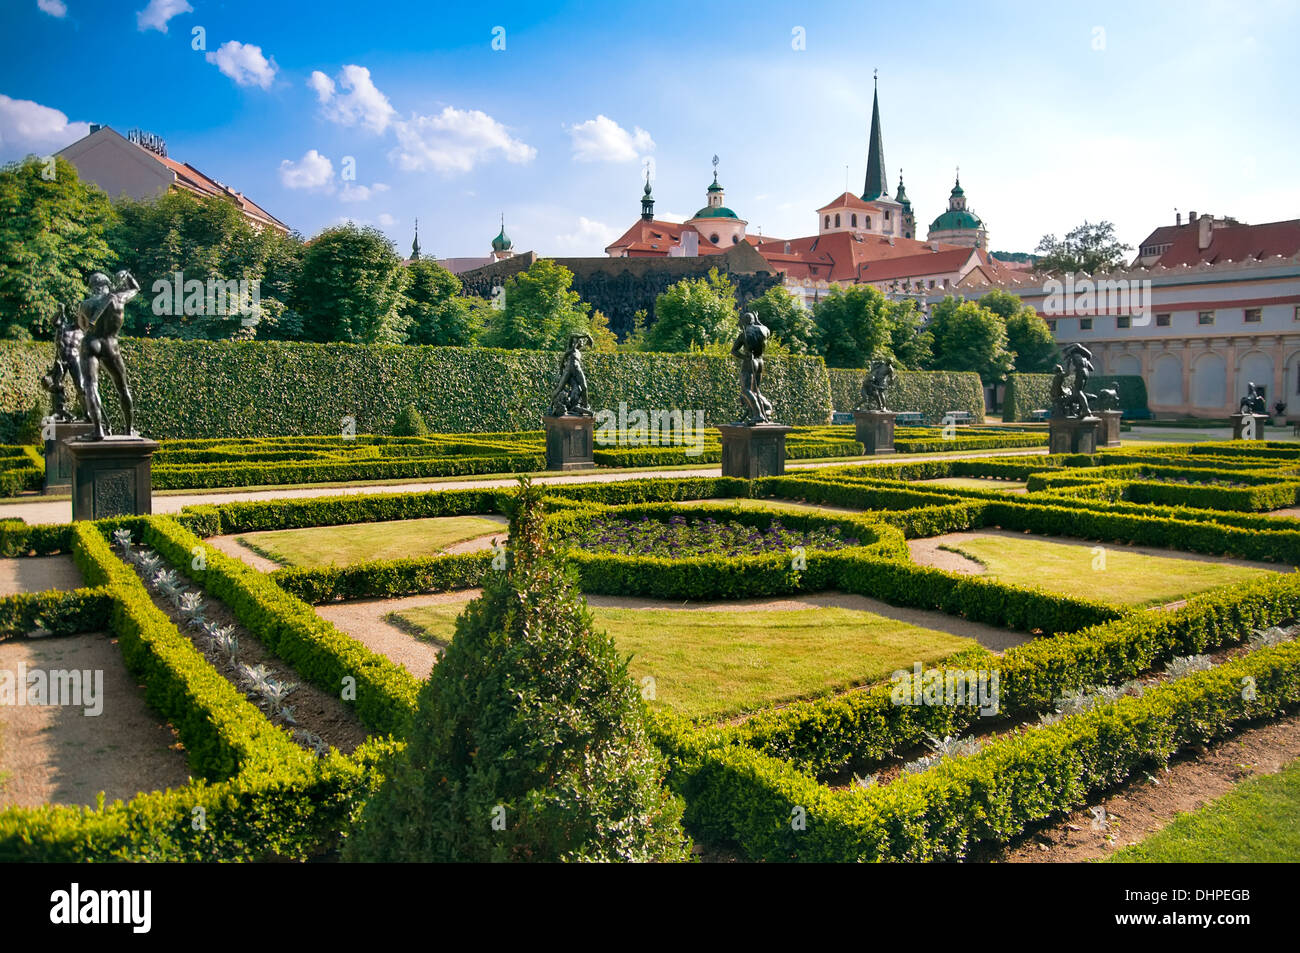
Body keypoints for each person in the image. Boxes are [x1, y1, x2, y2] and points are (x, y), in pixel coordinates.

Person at [76, 270, 139, 440]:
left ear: (92, 287)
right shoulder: (118, 298)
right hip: (111, 344)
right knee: (122, 387)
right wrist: (127, 275)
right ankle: (129, 429)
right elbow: (135, 288)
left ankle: (98, 430)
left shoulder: (85, 304)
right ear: (107, 285)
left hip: (90, 343)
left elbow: (82, 326)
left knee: (90, 386)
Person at [731, 311, 772, 425]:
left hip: (750, 362)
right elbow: (765, 329)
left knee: (746, 390)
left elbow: (733, 351)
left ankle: (758, 415)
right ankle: (766, 409)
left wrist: (745, 357)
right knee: (755, 391)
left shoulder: (744, 334)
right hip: (760, 361)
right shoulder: (764, 330)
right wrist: (758, 321)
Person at [549, 333, 594, 416]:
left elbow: (591, 343)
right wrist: (585, 336)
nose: (582, 343)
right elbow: (572, 336)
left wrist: (588, 337)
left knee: (584, 387)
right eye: (580, 341)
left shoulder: (579, 352)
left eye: (582, 342)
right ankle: (551, 406)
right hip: (568, 368)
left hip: (577, 368)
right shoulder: (570, 348)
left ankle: (585, 406)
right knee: (559, 387)